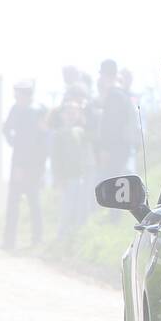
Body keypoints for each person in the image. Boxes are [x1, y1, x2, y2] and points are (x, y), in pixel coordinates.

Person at [2, 79, 48, 250]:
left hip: (27, 165)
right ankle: (16, 240)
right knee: (25, 201)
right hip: (29, 164)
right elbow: (7, 129)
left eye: (18, 94)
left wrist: (21, 166)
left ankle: (27, 240)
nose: (16, 97)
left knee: (28, 201)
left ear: (24, 95)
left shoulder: (31, 112)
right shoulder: (21, 109)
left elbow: (28, 143)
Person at [50, 96, 92, 239]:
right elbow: (55, 159)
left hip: (82, 176)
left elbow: (87, 151)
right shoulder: (59, 134)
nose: (71, 115)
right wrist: (59, 178)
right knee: (67, 207)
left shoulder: (81, 131)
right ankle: (61, 236)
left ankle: (77, 235)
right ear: (62, 115)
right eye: (68, 112)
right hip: (68, 177)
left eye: (74, 112)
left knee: (81, 207)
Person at [95, 59, 136, 181]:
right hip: (124, 147)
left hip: (115, 150)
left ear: (103, 75)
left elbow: (111, 126)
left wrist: (105, 149)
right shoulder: (124, 94)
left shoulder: (114, 96)